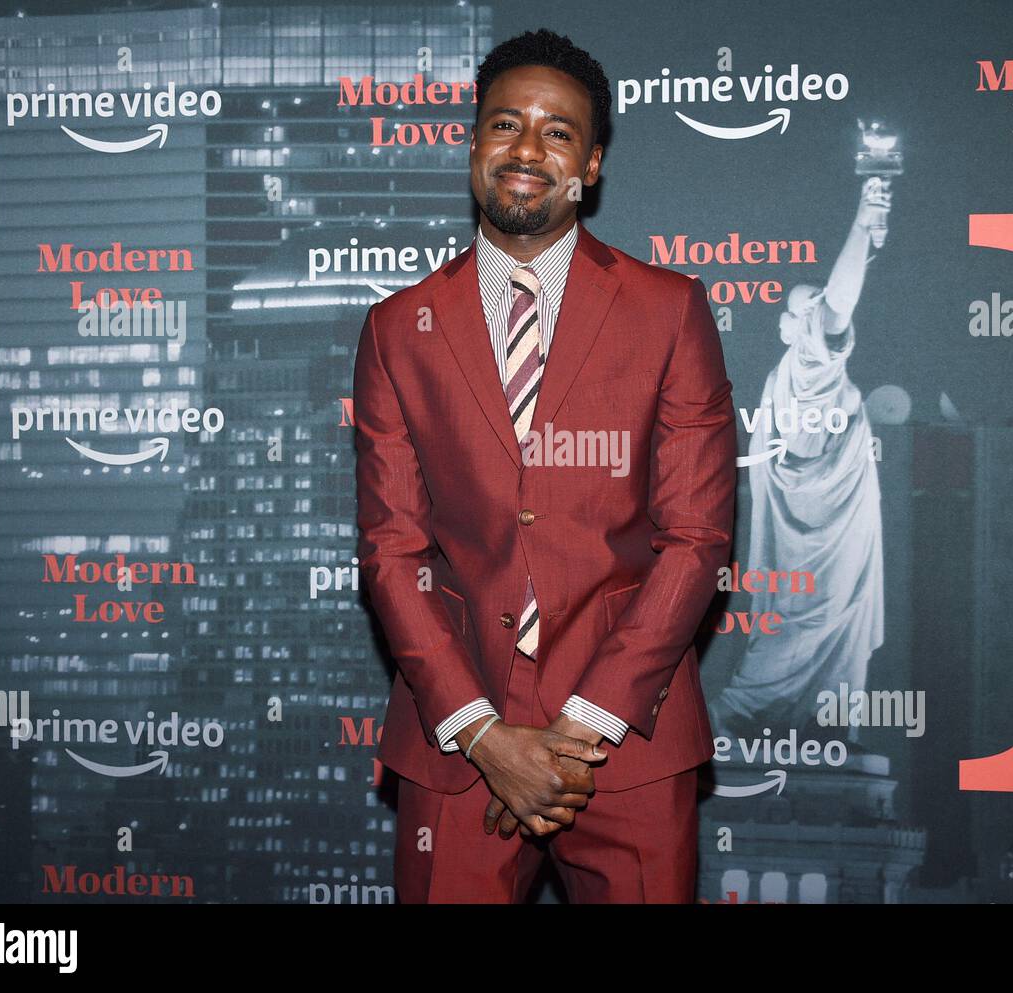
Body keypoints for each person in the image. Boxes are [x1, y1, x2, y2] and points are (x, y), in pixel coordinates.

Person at [352, 29, 736, 903]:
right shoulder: (396, 328)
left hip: (629, 739)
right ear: (474, 142)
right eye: (505, 124)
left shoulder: (669, 311)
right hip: (456, 742)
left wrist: (579, 730)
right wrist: (486, 736)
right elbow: (390, 551)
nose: (527, 148)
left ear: (591, 164)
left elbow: (697, 536)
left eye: (557, 132)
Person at [710, 178, 890, 744]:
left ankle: (779, 716)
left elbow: (839, 300)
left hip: (834, 533)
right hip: (800, 531)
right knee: (798, 614)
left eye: (801, 314)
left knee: (820, 616)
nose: (792, 320)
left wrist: (862, 226)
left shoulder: (812, 365)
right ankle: (775, 715)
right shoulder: (788, 376)